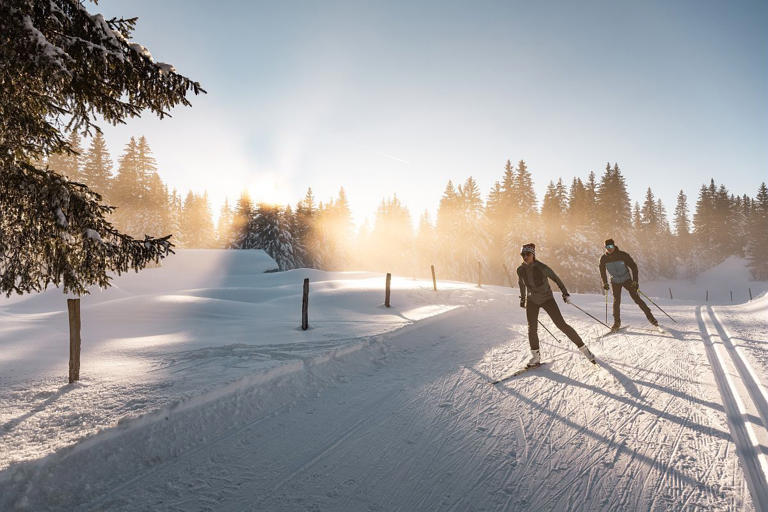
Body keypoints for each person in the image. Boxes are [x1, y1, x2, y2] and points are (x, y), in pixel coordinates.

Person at [517, 243, 595, 367]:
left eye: (527, 254)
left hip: (547, 299)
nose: (525, 257)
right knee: (532, 328)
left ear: (533, 254)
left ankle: (585, 349)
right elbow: (521, 284)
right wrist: (523, 298)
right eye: (523, 254)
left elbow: (556, 278)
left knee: (561, 325)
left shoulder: (542, 267)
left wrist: (565, 293)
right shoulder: (520, 269)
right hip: (532, 300)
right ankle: (535, 357)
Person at [599, 238, 657, 331]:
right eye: (607, 247)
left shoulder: (623, 255)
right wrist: (605, 282)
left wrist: (635, 281)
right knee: (616, 301)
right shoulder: (603, 258)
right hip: (615, 281)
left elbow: (634, 267)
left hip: (626, 279)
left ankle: (651, 318)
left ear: (614, 246)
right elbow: (602, 271)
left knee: (636, 298)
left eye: (611, 246)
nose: (609, 249)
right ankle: (616, 323)